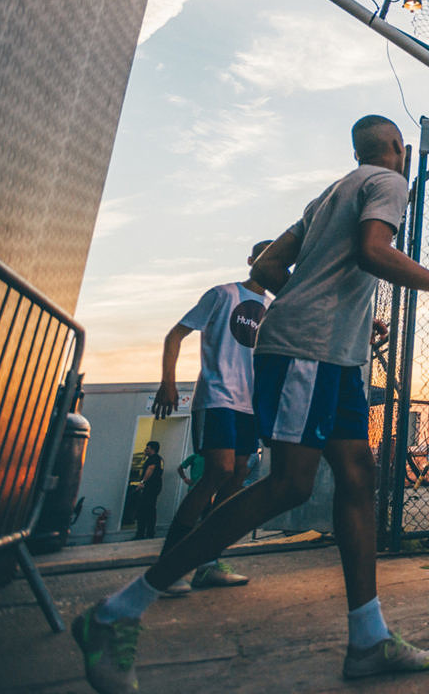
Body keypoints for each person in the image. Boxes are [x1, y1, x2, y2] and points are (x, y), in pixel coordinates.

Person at [74, 115, 429, 694]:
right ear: (398, 148)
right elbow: (374, 251)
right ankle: (118, 611)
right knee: (289, 485)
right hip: (308, 350)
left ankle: (368, 639)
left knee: (357, 476)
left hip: (333, 356)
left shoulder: (327, 197)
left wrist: (314, 296)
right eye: (401, 150)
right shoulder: (389, 181)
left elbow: (267, 267)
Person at [149, 239, 274, 594]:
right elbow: (176, 334)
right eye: (266, 256)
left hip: (250, 404)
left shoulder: (275, 308)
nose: (273, 263)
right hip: (218, 396)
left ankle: (208, 563)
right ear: (251, 260)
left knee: (238, 475)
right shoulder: (222, 294)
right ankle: (167, 566)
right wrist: (168, 382)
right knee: (218, 470)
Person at [132, 442, 163, 540]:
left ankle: (141, 533)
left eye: (147, 448)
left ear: (152, 449)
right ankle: (149, 532)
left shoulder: (154, 459)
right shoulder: (158, 459)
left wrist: (142, 482)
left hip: (150, 487)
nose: (145, 449)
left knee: (144, 509)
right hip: (154, 487)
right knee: (150, 509)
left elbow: (150, 469)